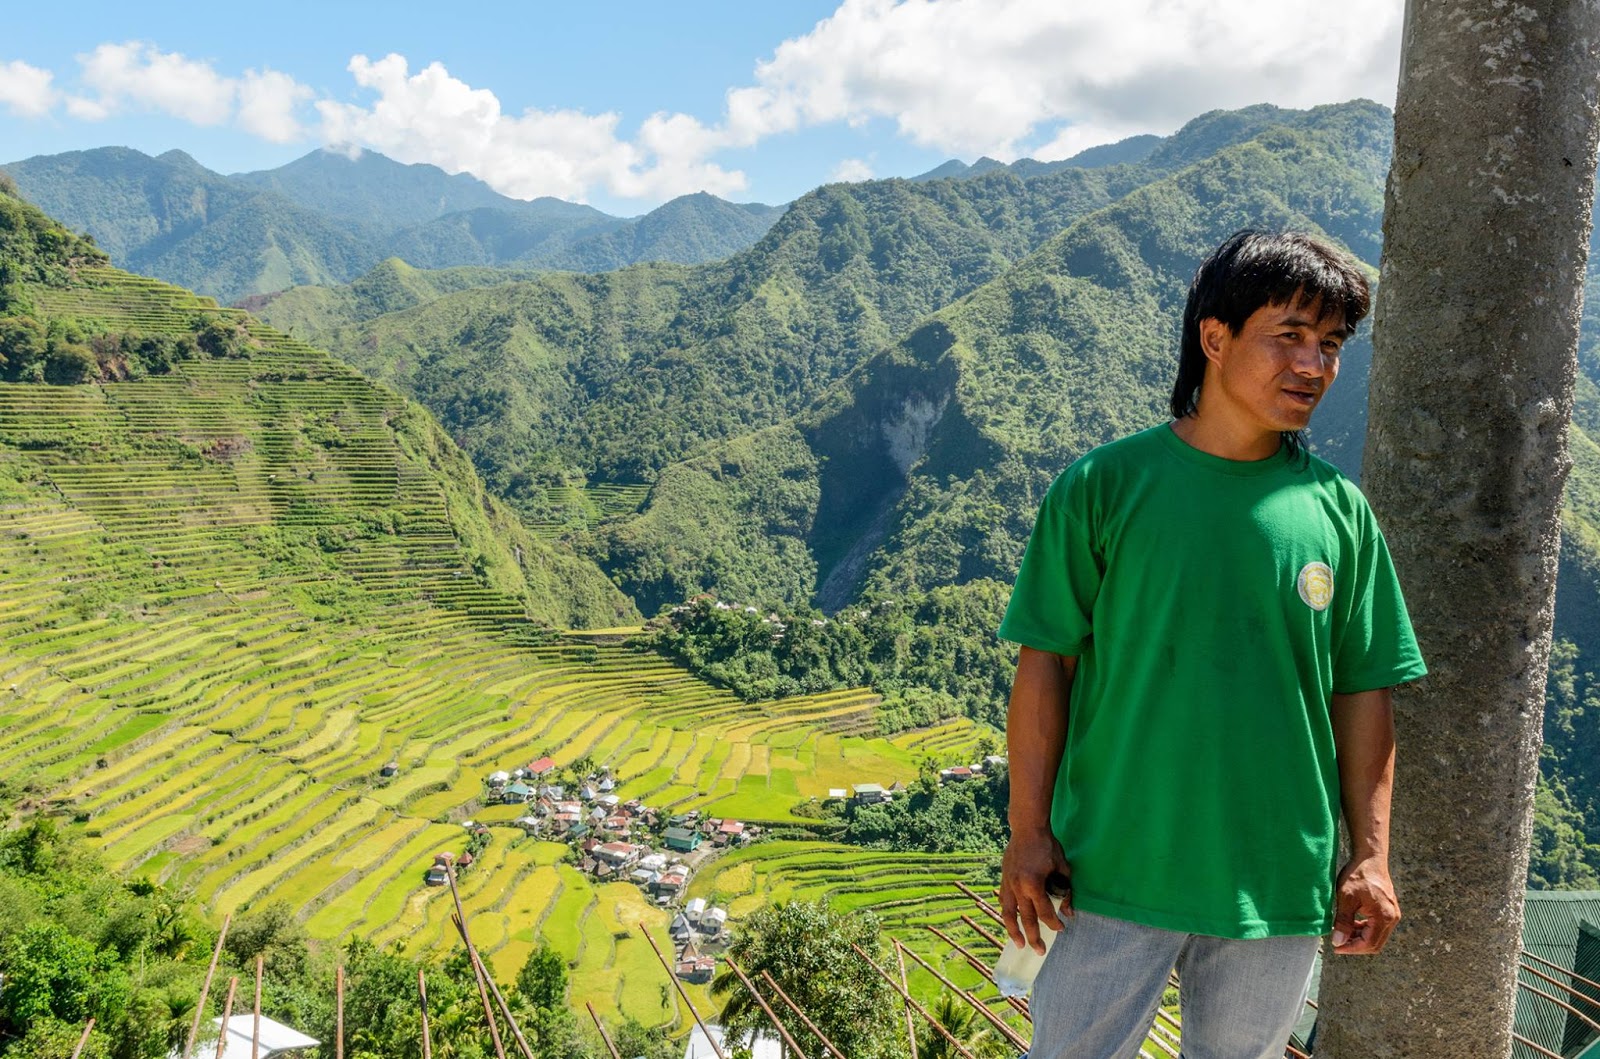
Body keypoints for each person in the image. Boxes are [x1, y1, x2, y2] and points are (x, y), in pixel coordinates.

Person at [996, 229, 1427, 1058]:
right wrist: (1027, 829)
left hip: (1275, 887)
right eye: (1290, 335)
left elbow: (1363, 691)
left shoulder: (1341, 515)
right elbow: (1044, 661)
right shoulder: (1105, 487)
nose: (1314, 365)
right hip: (1106, 874)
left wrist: (1370, 857)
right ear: (1215, 337)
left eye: (1331, 344)